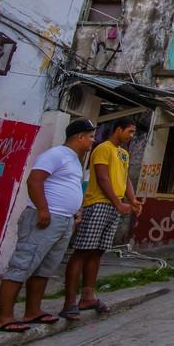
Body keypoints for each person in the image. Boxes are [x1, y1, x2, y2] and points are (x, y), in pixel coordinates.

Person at [0, 119, 95, 332]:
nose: (92, 141)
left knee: (45, 268)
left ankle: (33, 311)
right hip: (46, 217)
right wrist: (42, 209)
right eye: (91, 136)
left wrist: (74, 212)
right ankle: (4, 317)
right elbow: (34, 180)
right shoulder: (55, 154)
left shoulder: (75, 160)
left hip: (64, 220)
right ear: (80, 136)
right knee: (22, 264)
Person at [60, 118, 142, 320]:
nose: (131, 136)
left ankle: (88, 296)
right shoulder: (103, 149)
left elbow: (125, 178)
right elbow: (103, 178)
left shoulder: (123, 153)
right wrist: (117, 202)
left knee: (98, 252)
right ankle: (70, 302)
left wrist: (132, 200)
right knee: (82, 251)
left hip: (114, 207)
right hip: (98, 204)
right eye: (129, 132)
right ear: (118, 129)